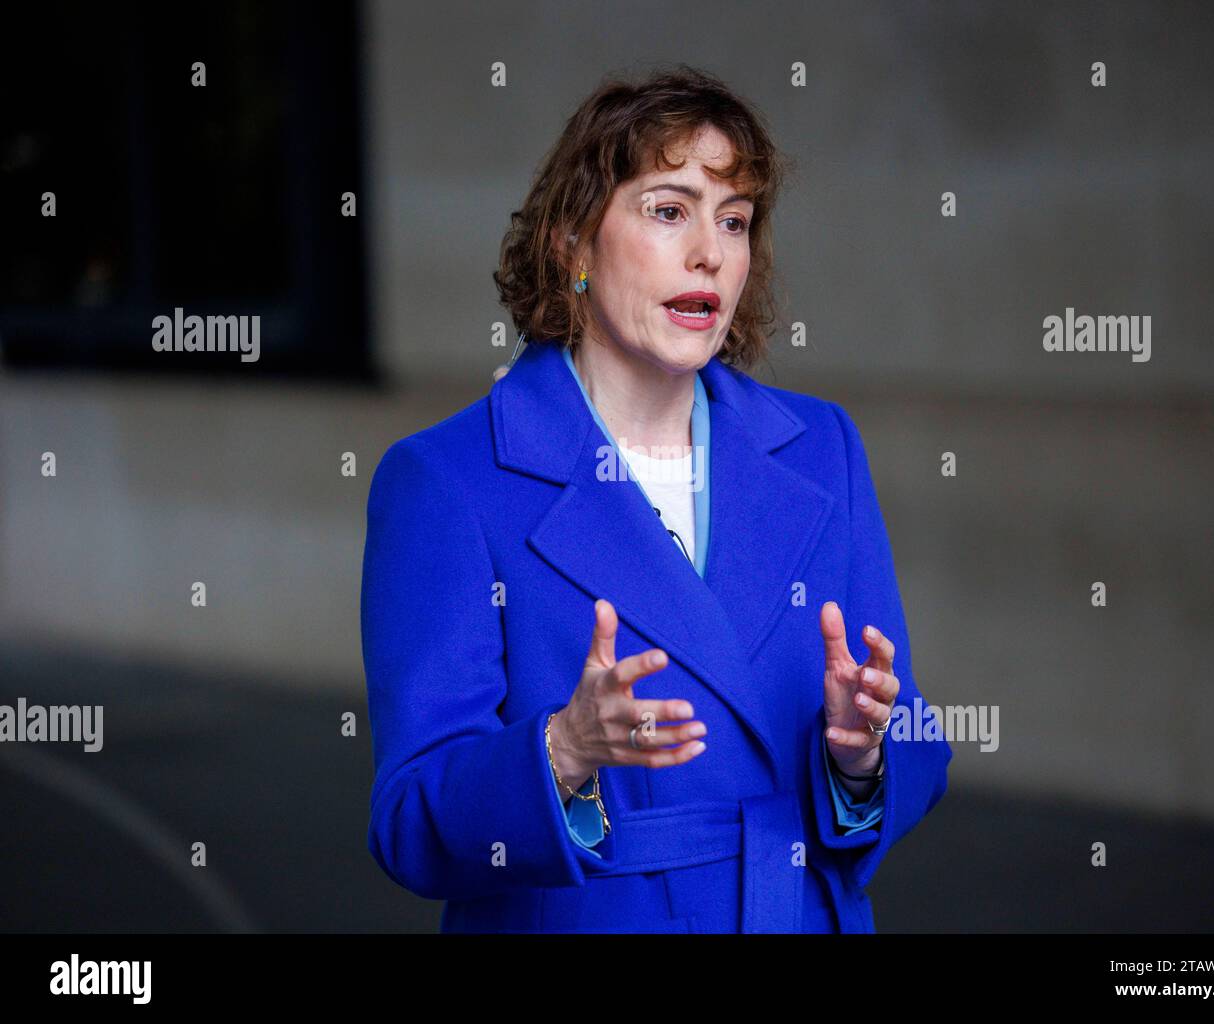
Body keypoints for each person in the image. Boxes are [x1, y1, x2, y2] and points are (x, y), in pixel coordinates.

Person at [361, 65, 951, 933]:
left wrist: (859, 758)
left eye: (735, 220)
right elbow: (410, 823)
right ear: (571, 243)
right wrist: (561, 752)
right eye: (669, 210)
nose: (711, 251)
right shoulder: (447, 480)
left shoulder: (823, 449)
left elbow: (910, 730)